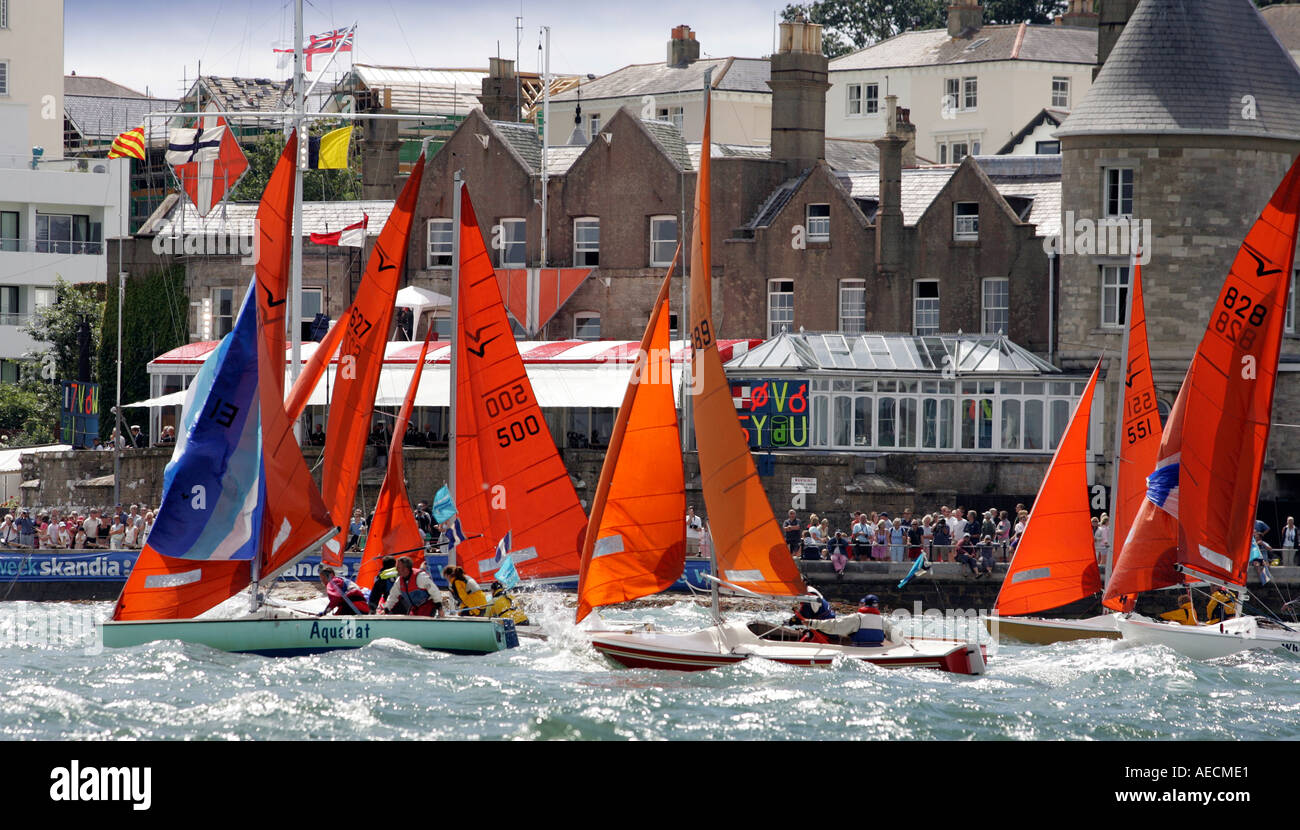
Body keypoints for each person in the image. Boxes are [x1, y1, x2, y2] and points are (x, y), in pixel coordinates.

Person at [802, 595, 897, 647]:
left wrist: (811, 623)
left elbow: (834, 625)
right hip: (878, 650)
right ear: (877, 606)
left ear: (864, 604)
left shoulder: (856, 618)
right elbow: (895, 636)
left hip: (858, 650)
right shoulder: (883, 620)